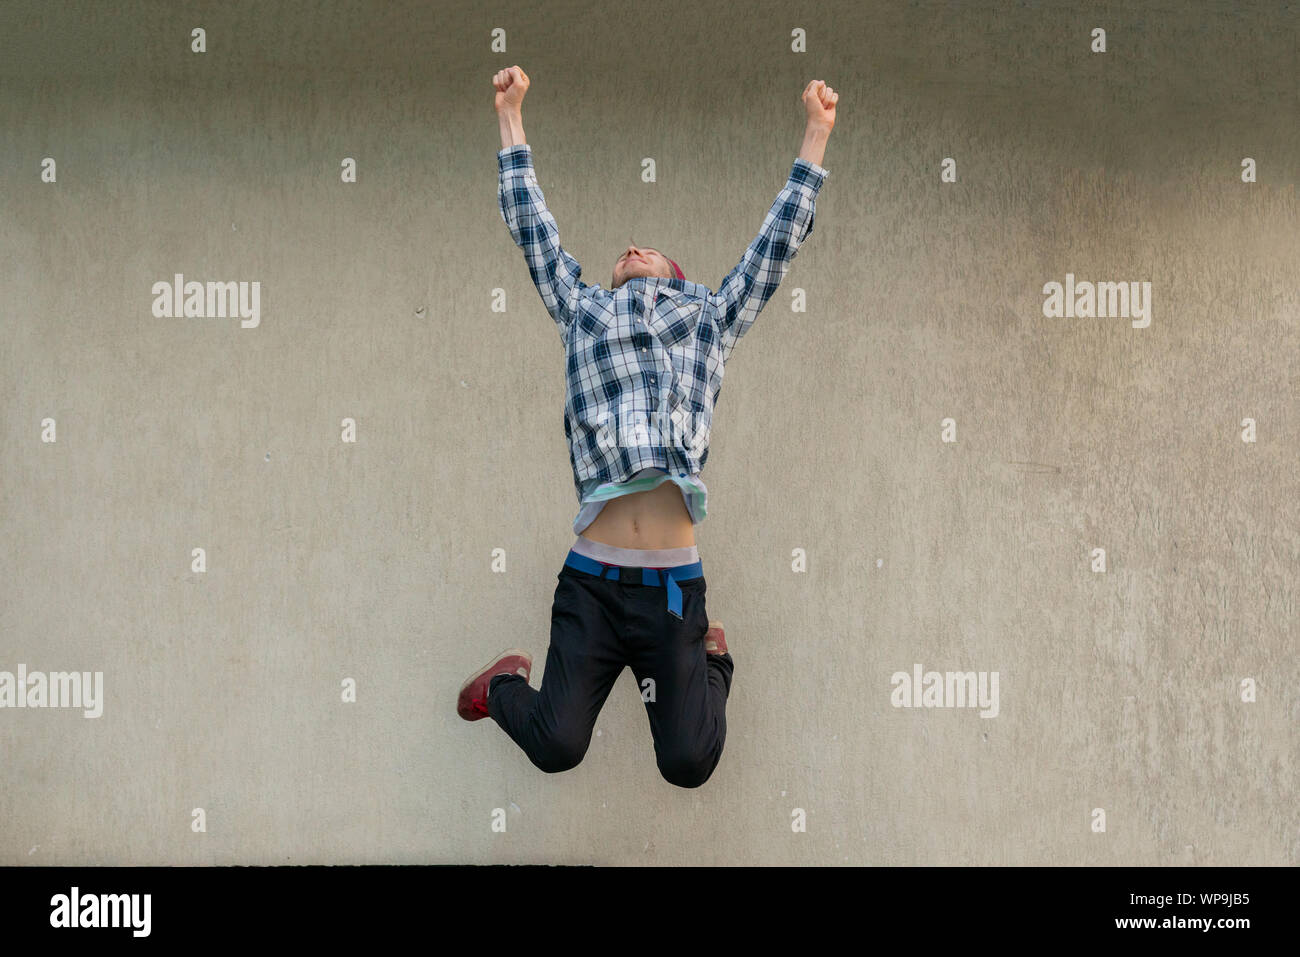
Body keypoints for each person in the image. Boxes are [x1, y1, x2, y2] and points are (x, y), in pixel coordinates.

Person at [458, 65, 836, 789]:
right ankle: (502, 684)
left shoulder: (708, 319)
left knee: (688, 762)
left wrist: (816, 132)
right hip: (592, 585)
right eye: (625, 252)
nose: (631, 246)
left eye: (649, 250)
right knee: (556, 744)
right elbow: (532, 228)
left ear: (675, 274)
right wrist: (509, 113)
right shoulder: (584, 312)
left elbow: (775, 249)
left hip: (671, 590)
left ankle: (713, 662)